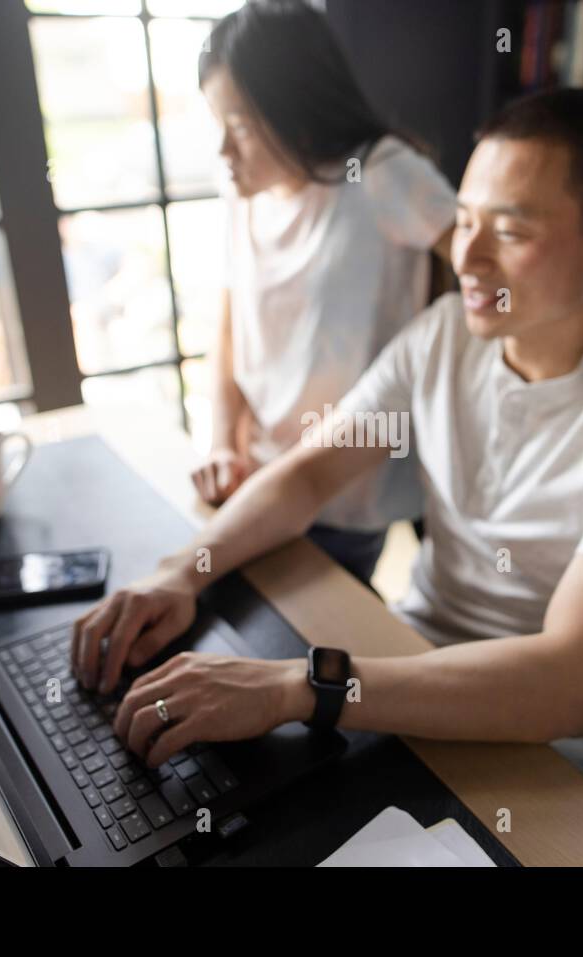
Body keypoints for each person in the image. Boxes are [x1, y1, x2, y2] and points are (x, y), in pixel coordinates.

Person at [72, 88, 583, 790]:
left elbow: (573, 683)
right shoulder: (446, 334)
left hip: (536, 762)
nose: (468, 258)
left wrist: (301, 687)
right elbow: (309, 475)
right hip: (398, 670)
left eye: (508, 233)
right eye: (465, 221)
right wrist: (183, 569)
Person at [194, 0, 456, 584]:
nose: (224, 154)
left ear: (295, 105)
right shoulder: (243, 193)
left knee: (310, 627)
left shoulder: (384, 173)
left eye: (238, 127)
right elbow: (229, 330)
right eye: (218, 128)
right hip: (256, 475)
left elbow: (494, 267)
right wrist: (219, 441)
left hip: (343, 489)